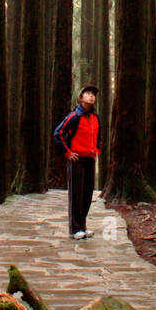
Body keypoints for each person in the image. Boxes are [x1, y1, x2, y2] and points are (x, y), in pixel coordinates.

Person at [53, 86, 102, 240]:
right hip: (77, 160)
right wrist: (67, 153)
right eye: (87, 94)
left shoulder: (95, 117)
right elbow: (58, 133)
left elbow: (99, 136)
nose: (91, 96)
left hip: (90, 159)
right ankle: (75, 229)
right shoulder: (74, 116)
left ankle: (83, 226)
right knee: (77, 194)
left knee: (87, 194)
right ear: (80, 98)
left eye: (93, 94)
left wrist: (97, 150)